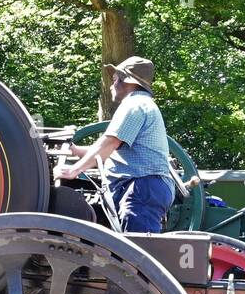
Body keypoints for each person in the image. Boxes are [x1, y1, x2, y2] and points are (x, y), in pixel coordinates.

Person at [56, 56, 174, 233]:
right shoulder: (142, 104)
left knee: (138, 253)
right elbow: (113, 150)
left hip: (141, 187)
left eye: (114, 80)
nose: (111, 86)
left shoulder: (135, 105)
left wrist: (74, 170)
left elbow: (109, 143)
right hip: (145, 187)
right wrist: (75, 151)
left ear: (126, 80)